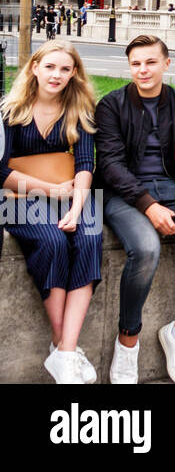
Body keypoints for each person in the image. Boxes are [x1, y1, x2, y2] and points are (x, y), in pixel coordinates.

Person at [96, 35, 175, 384]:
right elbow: (110, 165)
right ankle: (128, 341)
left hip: (172, 190)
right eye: (136, 63)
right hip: (124, 194)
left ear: (167, 64)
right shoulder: (111, 105)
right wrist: (150, 208)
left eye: (150, 62)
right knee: (146, 248)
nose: (143, 70)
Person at [2, 40, 101, 384]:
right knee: (53, 242)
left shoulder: (80, 109)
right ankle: (64, 349)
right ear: (34, 68)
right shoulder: (10, 111)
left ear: (74, 73)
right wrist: (48, 190)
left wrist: (75, 207)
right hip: (18, 197)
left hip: (73, 193)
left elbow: (86, 163)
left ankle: (65, 352)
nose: (56, 75)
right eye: (50, 67)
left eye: (64, 68)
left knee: (90, 237)